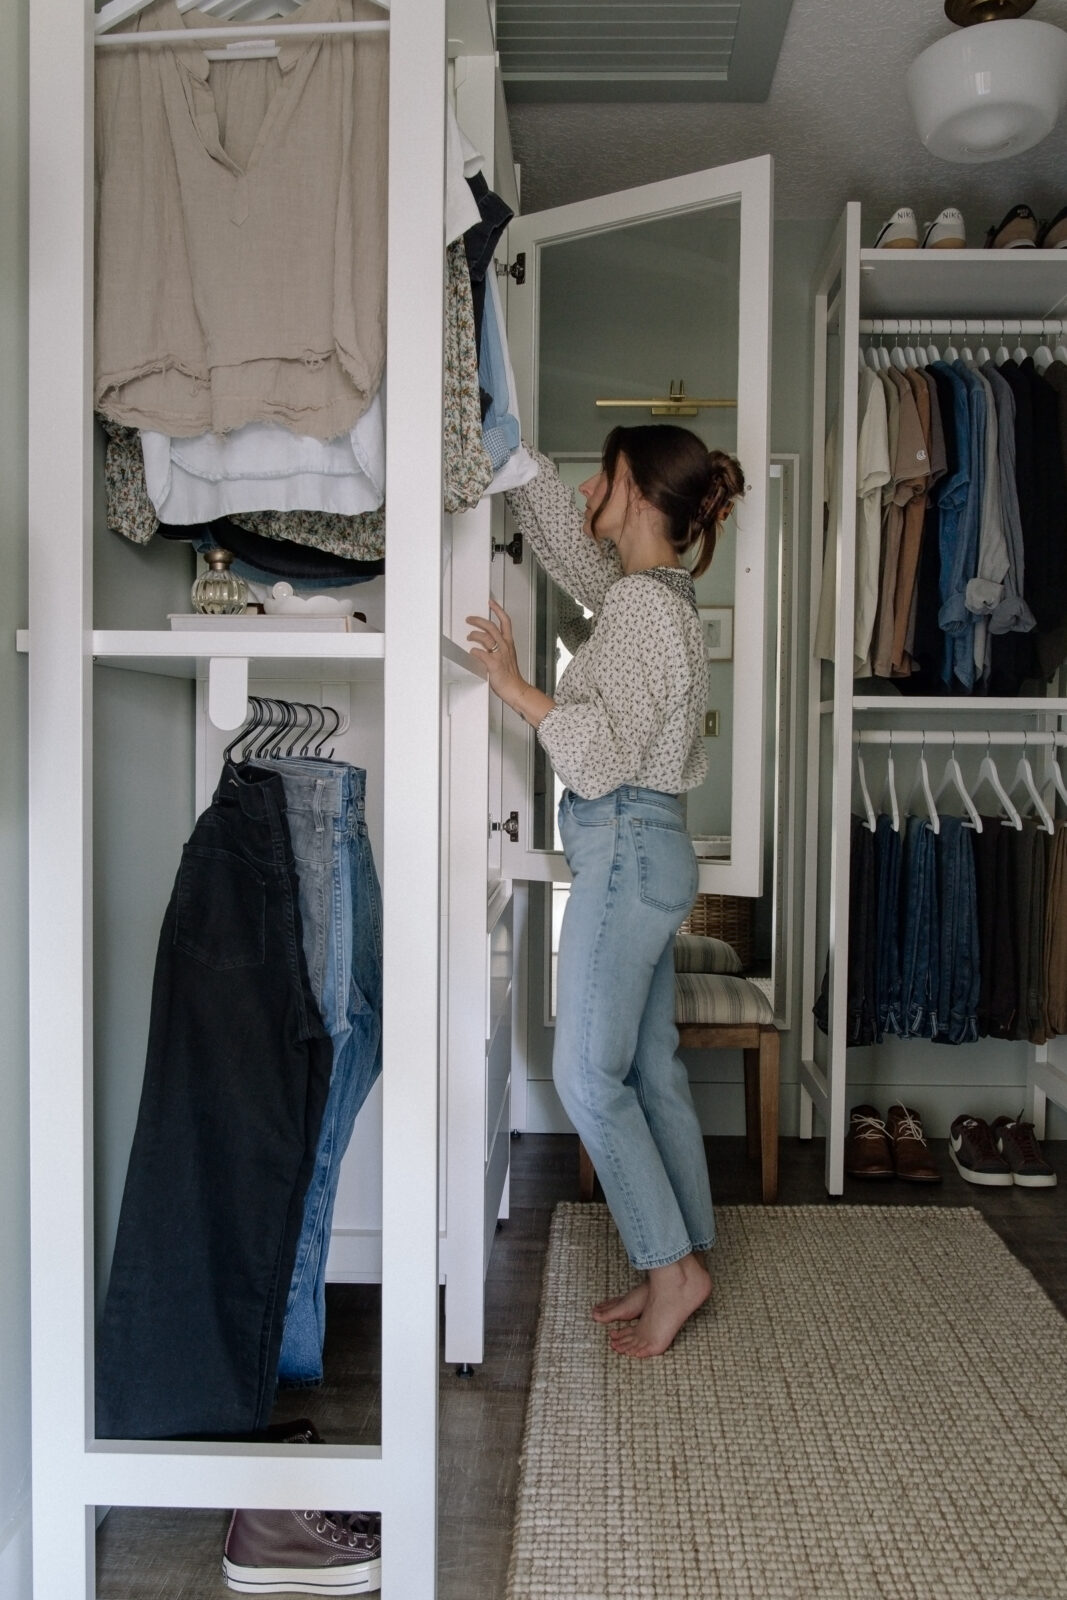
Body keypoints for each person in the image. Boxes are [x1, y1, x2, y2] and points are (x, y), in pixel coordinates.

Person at [466, 425, 744, 1358]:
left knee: (590, 1076)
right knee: (649, 1066)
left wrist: (513, 685)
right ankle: (684, 1251)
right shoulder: (647, 598)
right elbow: (577, 559)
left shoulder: (644, 616)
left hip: (625, 842)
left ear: (634, 490)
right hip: (645, 844)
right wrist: (527, 470)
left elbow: (601, 748)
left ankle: (673, 1271)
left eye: (603, 475)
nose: (591, 488)